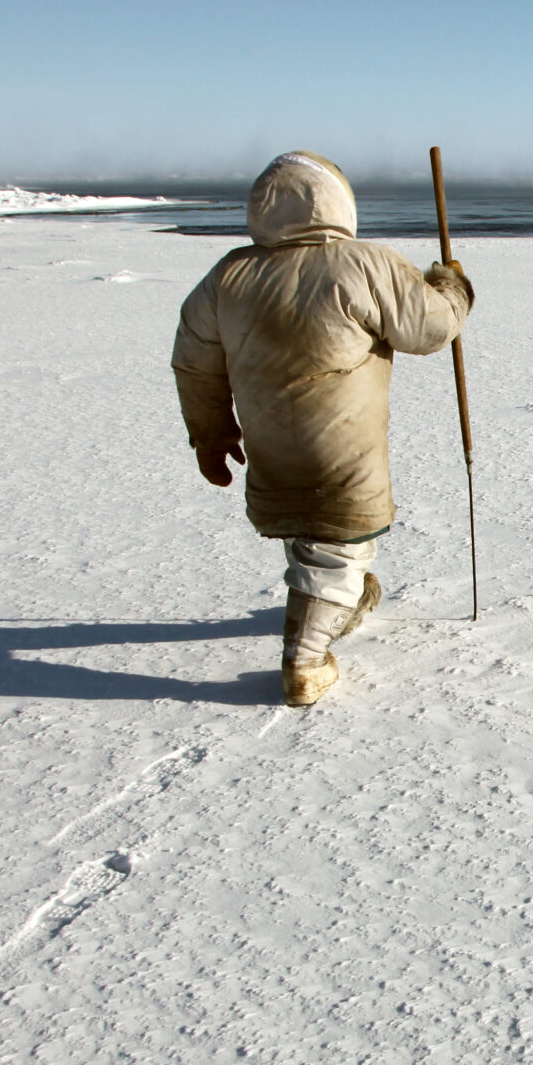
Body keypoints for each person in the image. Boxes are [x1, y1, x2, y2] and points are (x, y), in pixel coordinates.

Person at [171, 151, 475, 706]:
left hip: (269, 439)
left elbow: (194, 362)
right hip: (342, 441)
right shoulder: (363, 264)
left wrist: (211, 433)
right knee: (339, 540)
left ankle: (343, 602)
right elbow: (430, 329)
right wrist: (451, 286)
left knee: (304, 521)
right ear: (338, 202)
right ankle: (305, 662)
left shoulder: (228, 275)